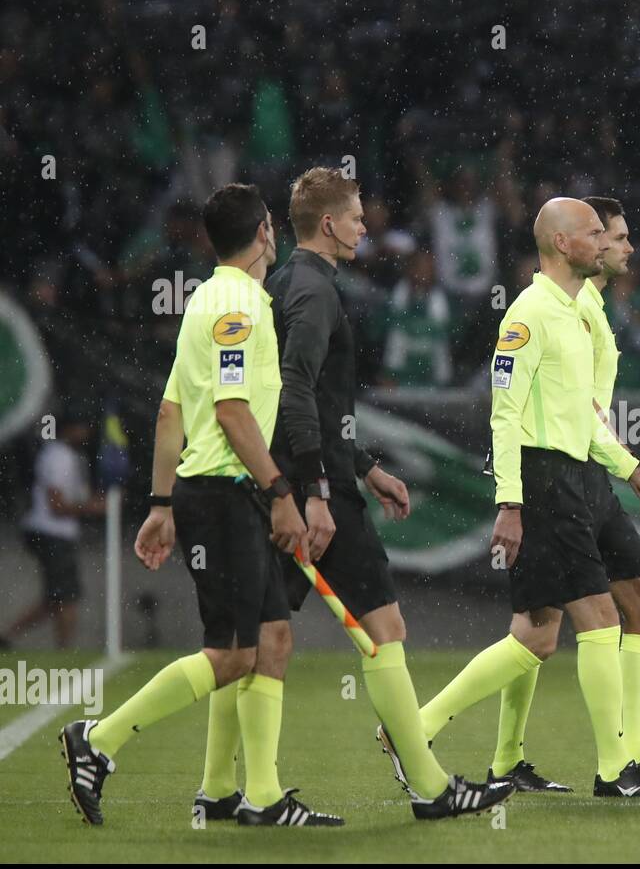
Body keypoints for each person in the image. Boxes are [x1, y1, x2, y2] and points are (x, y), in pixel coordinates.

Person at [196, 165, 511, 821]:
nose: (367, 226)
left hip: (285, 481)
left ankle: (222, 788)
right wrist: (316, 491)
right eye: (358, 216)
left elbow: (304, 401)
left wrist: (365, 465)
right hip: (312, 490)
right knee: (384, 626)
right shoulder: (314, 290)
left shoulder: (285, 284)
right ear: (331, 223)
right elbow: (299, 389)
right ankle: (428, 787)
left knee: (261, 642)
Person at [60, 183, 341, 826]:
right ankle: (97, 741)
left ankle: (241, 794)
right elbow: (233, 412)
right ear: (267, 232)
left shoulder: (203, 300)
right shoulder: (241, 306)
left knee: (271, 639)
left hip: (209, 490)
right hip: (226, 494)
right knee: (234, 652)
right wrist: (280, 494)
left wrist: (160, 503)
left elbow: (169, 412)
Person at [409, 198, 640, 797]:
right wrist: (510, 503)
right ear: (566, 243)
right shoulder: (530, 315)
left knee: (566, 622)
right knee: (578, 624)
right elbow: (504, 414)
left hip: (584, 475)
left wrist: (630, 468)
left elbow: (581, 413)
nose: (619, 247)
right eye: (601, 234)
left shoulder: (578, 305)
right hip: (546, 480)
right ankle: (617, 769)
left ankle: (603, 758)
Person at [2, 410, 104, 650]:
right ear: (69, 429)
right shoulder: (58, 457)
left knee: (56, 596)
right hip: (50, 532)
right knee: (66, 595)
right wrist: (95, 507)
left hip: (54, 533)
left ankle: (7, 636)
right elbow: (57, 505)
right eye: (82, 427)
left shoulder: (68, 456)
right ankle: (65, 651)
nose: (86, 433)